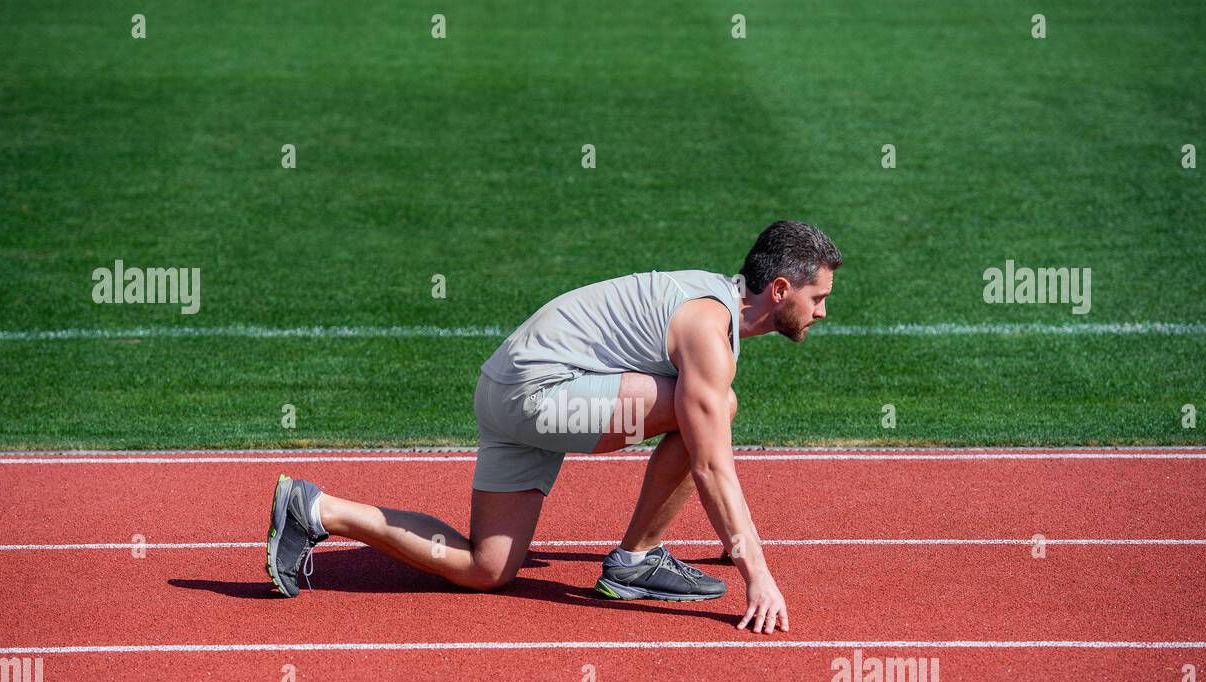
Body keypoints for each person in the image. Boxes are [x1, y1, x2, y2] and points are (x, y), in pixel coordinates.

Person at [266, 220, 840, 634]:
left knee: (486, 568)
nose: (821, 313)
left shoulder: (711, 303)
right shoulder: (708, 330)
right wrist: (755, 573)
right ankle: (637, 560)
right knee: (715, 412)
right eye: (817, 298)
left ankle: (316, 510)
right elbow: (710, 463)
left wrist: (729, 539)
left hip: (507, 390)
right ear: (781, 290)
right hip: (536, 396)